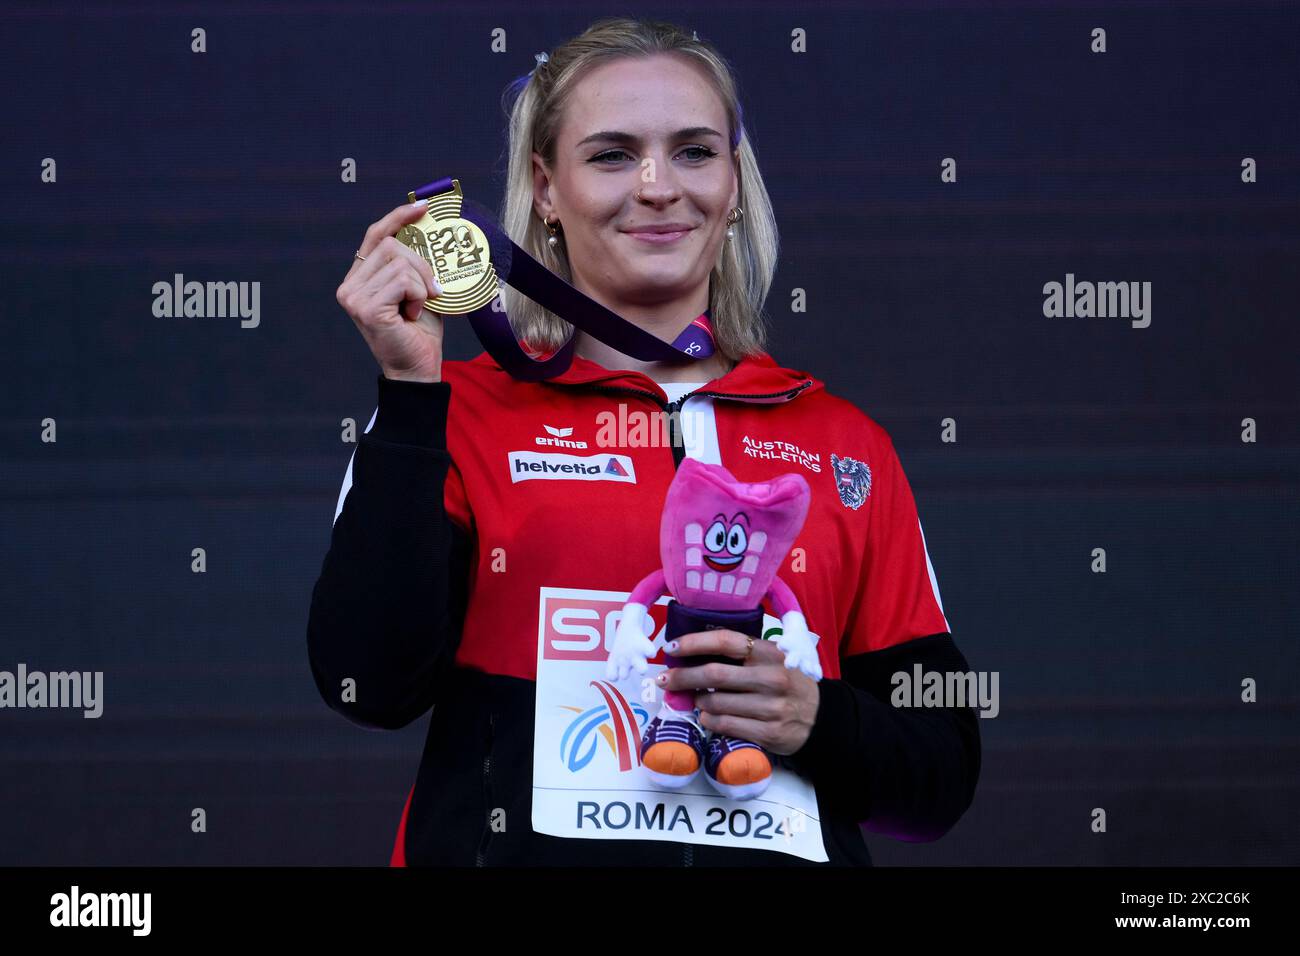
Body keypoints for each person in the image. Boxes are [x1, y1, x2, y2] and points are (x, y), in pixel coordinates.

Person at [307, 16, 979, 867]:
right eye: (613, 154)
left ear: (734, 184)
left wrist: (815, 719)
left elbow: (943, 773)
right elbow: (367, 686)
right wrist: (408, 397)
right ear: (546, 188)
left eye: (695, 151)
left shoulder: (844, 445)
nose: (659, 186)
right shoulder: (453, 412)